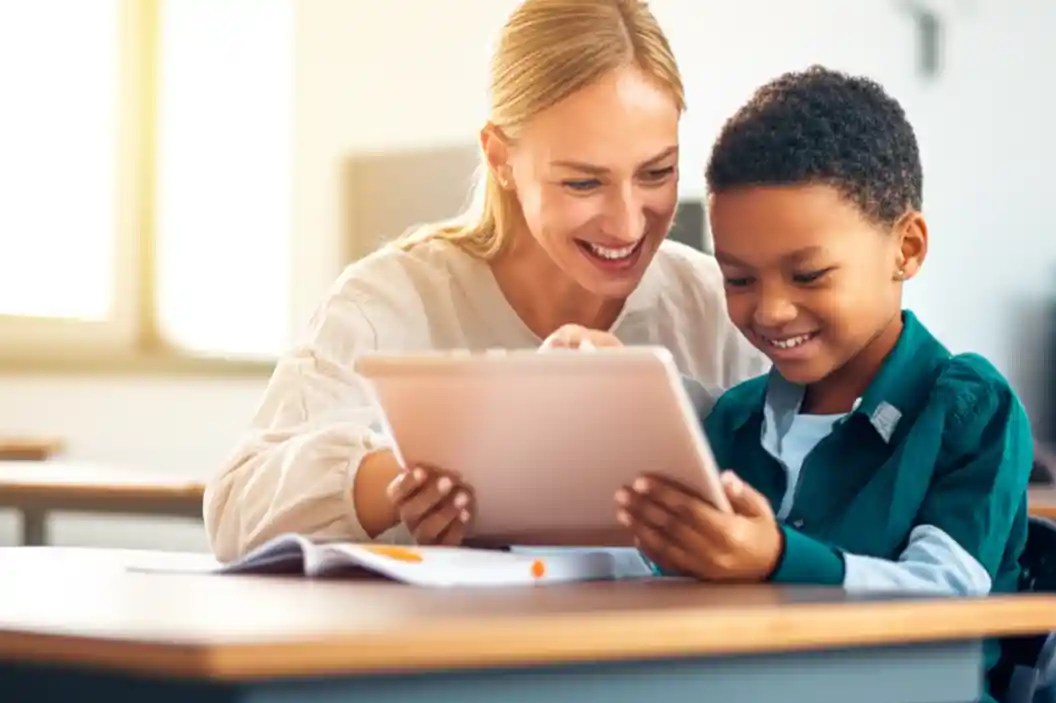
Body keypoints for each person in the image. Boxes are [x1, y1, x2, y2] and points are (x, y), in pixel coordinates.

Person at [203, 0, 765, 562]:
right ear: (500, 158)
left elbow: (808, 500)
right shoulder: (390, 299)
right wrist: (418, 471)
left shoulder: (712, 302)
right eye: (582, 183)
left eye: (656, 173)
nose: (627, 223)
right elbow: (234, 510)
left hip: (673, 644)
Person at [614, 66, 1032, 703]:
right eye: (739, 280)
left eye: (808, 275)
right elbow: (646, 573)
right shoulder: (733, 421)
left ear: (907, 247)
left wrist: (778, 559)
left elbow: (943, 601)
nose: (772, 311)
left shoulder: (967, 410)